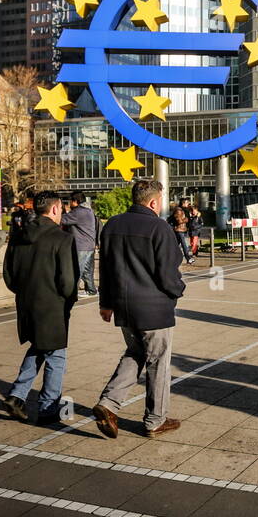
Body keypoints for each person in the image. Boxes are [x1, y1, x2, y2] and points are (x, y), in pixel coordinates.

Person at [92, 178, 187, 440]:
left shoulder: (112, 225)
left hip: (123, 306)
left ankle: (109, 403)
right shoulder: (160, 228)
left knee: (135, 352)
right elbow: (168, 274)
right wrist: (178, 291)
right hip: (154, 308)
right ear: (154, 201)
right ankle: (155, 419)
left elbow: (106, 269)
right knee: (158, 361)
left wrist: (106, 302)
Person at [2, 191, 79, 426]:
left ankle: (17, 395)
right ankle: (47, 407)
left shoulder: (18, 235)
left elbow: (8, 274)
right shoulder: (62, 239)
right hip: (53, 304)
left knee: (39, 346)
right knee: (56, 355)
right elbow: (68, 280)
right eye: (62, 209)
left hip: (27, 301)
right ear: (55, 209)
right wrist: (69, 299)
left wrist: (23, 291)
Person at [62, 191, 99, 297]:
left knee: (76, 270)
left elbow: (62, 220)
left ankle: (72, 292)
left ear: (75, 201)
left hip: (81, 246)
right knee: (87, 270)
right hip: (89, 245)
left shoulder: (78, 212)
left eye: (70, 201)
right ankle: (91, 290)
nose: (69, 203)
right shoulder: (88, 211)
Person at [169, 198, 193, 264]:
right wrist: (187, 219)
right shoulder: (178, 210)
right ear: (183, 203)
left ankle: (169, 257)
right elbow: (179, 221)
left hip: (182, 229)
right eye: (187, 203)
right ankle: (188, 258)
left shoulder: (184, 210)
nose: (188, 204)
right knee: (184, 244)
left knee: (175, 245)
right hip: (179, 230)